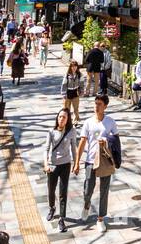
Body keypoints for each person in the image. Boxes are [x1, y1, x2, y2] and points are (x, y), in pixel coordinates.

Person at [73, 94, 119, 233]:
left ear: (105, 106)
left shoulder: (110, 122)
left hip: (105, 160)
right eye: (95, 103)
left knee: (104, 190)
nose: (96, 106)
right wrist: (76, 163)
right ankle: (86, 205)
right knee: (88, 188)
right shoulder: (88, 122)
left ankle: (100, 218)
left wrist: (107, 141)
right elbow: (82, 142)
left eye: (99, 104)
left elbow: (116, 140)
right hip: (90, 160)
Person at [44, 107, 77, 232]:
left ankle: (62, 219)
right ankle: (52, 208)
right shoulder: (51, 131)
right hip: (52, 165)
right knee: (51, 190)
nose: (61, 119)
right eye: (59, 116)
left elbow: (74, 148)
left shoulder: (71, 131)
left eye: (64, 117)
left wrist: (76, 163)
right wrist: (46, 164)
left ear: (68, 119)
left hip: (65, 165)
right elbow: (46, 149)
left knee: (63, 193)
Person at [61, 57, 83, 124]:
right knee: (66, 109)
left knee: (76, 108)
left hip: (75, 93)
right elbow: (64, 84)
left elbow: (81, 84)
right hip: (68, 93)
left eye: (75, 66)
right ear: (70, 67)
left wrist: (81, 91)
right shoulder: (67, 75)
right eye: (72, 66)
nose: (74, 68)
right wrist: (63, 94)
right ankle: (68, 121)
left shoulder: (79, 75)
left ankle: (75, 121)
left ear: (77, 67)